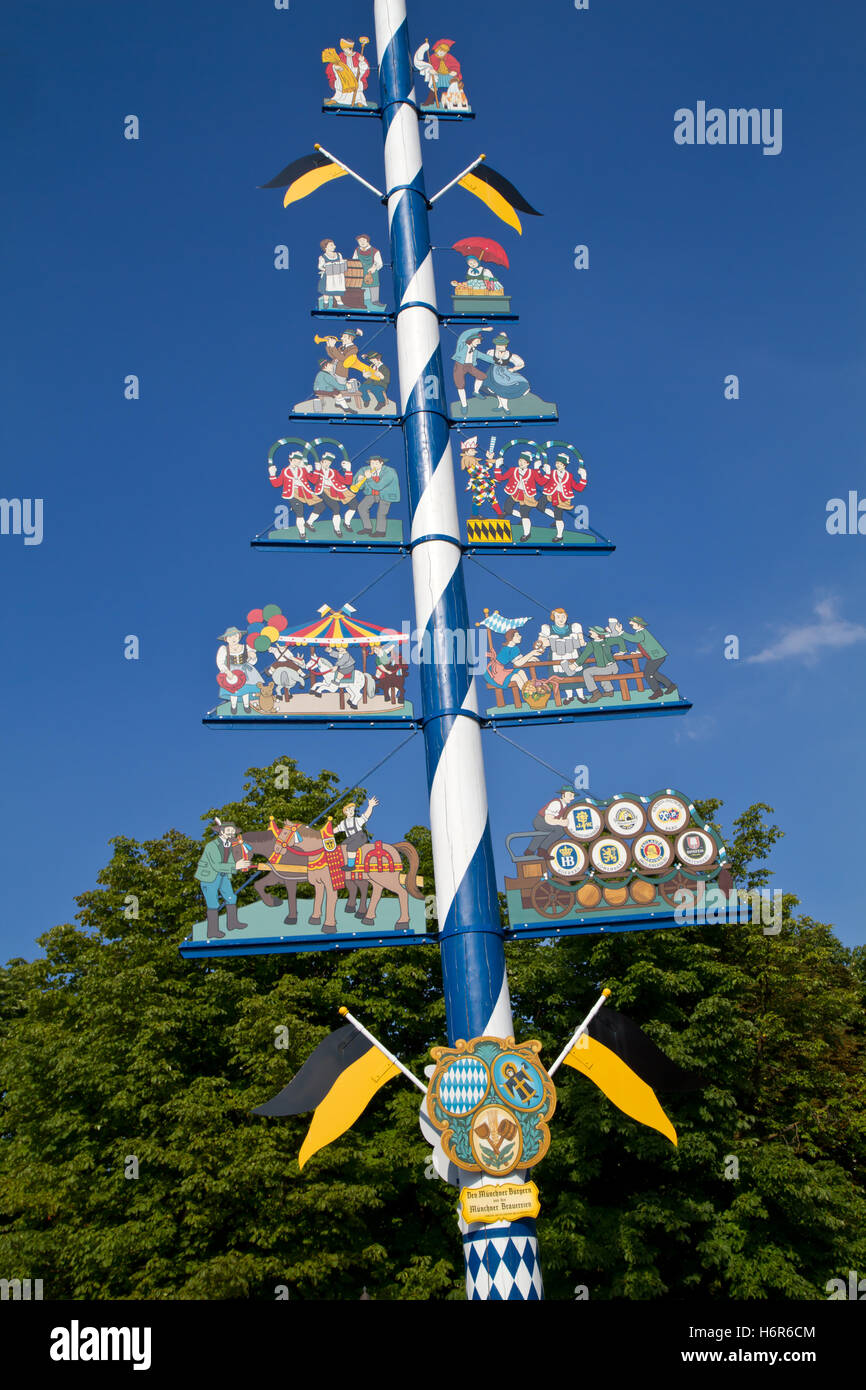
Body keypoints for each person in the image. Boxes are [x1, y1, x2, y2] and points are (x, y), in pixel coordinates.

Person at [194, 819, 253, 938]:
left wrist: (238, 866)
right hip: (209, 877)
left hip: (224, 875)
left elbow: (230, 861)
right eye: (229, 830)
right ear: (221, 832)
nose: (232, 833)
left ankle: (232, 923)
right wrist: (235, 866)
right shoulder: (212, 846)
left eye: (233, 831)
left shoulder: (229, 845)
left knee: (231, 897)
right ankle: (212, 931)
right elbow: (216, 865)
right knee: (213, 903)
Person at [614, 616, 678, 700]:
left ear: (639, 625)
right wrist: (638, 652)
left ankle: (657, 691)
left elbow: (636, 639)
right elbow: (642, 644)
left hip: (656, 656)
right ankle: (670, 685)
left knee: (648, 674)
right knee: (653, 673)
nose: (631, 625)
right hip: (656, 656)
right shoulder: (640, 632)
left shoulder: (641, 632)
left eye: (632, 624)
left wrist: (621, 632)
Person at [494, 448, 545, 541]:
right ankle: (522, 518)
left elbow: (541, 482)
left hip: (527, 495)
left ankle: (526, 533)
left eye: (524, 462)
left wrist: (546, 472)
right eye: (520, 460)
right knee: (507, 508)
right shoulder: (513, 470)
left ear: (528, 463)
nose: (521, 463)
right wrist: (497, 466)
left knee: (525, 514)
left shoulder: (532, 472)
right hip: (515, 493)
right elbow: (500, 478)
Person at [268, 449, 321, 538]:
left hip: (305, 492)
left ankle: (309, 522)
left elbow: (314, 480)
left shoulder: (303, 470)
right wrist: (272, 474)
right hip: (292, 494)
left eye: (299, 460)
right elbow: (277, 483)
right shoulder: (285, 471)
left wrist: (317, 470)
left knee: (320, 506)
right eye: (295, 460)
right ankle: (302, 533)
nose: (297, 462)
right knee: (299, 512)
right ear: (290, 460)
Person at [537, 608, 586, 703]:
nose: (561, 619)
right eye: (558, 617)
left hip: (573, 654)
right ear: (553, 618)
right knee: (562, 676)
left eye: (563, 616)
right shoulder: (548, 629)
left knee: (577, 674)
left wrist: (578, 641)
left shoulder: (574, 627)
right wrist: (551, 642)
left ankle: (581, 695)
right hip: (557, 656)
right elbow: (541, 643)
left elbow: (581, 641)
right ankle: (569, 696)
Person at [541, 452, 588, 542]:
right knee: (539, 505)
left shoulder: (569, 476)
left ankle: (559, 535)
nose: (558, 465)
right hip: (550, 494)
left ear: (564, 465)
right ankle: (555, 517)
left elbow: (578, 487)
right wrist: (542, 470)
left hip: (563, 498)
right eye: (557, 463)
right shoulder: (552, 472)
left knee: (559, 517)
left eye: (561, 464)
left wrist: (583, 477)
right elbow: (542, 480)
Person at [307, 451, 355, 537]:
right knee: (336, 508)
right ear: (321, 462)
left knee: (354, 504)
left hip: (338, 490)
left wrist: (348, 469)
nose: (327, 464)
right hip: (323, 491)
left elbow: (347, 481)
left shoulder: (334, 472)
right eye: (325, 462)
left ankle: (346, 523)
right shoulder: (317, 472)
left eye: (329, 462)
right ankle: (337, 529)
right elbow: (313, 481)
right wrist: (308, 471)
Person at [480, 333, 531, 413]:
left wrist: (513, 369)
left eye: (501, 345)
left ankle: (505, 408)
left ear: (505, 345)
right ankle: (501, 406)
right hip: (493, 373)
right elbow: (487, 359)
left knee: (504, 389)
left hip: (505, 373)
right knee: (498, 389)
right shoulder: (491, 352)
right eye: (497, 344)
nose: (499, 347)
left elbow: (521, 364)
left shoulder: (509, 355)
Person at [216, 627, 262, 713]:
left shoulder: (245, 647)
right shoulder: (224, 649)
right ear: (226, 639)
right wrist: (227, 671)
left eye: (235, 636)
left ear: (239, 636)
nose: (233, 638)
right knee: (233, 690)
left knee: (245, 689)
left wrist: (252, 656)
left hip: (245, 671)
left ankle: (246, 705)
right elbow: (220, 662)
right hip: (231, 671)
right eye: (230, 637)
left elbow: (252, 662)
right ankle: (233, 706)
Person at [352, 456, 400, 535]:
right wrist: (359, 480)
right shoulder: (364, 470)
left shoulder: (390, 472)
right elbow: (358, 487)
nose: (374, 466)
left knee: (381, 512)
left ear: (381, 463)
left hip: (386, 494)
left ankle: (380, 532)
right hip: (372, 493)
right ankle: (367, 528)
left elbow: (379, 486)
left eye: (376, 463)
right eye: (372, 463)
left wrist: (369, 478)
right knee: (362, 507)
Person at [574, 625, 622, 703]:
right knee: (600, 672)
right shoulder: (593, 644)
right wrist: (577, 664)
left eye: (592, 631)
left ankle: (595, 693)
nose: (590, 632)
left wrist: (622, 651)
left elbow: (619, 640)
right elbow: (584, 655)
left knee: (587, 672)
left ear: (597, 634)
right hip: (609, 668)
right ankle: (609, 691)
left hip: (611, 667)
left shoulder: (605, 641)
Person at [452, 327, 494, 410]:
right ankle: (464, 405)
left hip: (470, 366)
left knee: (481, 376)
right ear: (471, 339)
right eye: (478, 341)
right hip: (460, 365)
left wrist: (500, 362)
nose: (479, 343)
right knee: (460, 385)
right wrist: (483, 329)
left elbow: (485, 357)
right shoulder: (462, 345)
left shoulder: (475, 351)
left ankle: (476, 391)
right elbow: (465, 334)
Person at [323, 38, 370, 107]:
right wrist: (336, 67)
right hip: (343, 77)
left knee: (357, 85)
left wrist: (362, 61)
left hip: (355, 75)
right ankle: (337, 99)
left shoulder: (357, 55)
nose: (347, 51)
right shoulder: (340, 56)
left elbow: (365, 67)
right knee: (340, 83)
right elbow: (333, 65)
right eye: (345, 49)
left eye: (348, 49)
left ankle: (359, 101)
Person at [333, 796, 379, 866]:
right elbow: (337, 829)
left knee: (350, 847)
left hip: (360, 836)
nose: (351, 811)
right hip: (350, 838)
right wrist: (326, 832)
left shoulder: (356, 820)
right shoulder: (343, 823)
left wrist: (370, 806)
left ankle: (351, 865)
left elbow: (366, 815)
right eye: (349, 810)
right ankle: (343, 862)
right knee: (342, 846)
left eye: (352, 810)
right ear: (345, 812)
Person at [527, 789, 576, 854]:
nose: (573, 798)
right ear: (563, 795)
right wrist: (561, 822)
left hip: (545, 822)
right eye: (570, 795)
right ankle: (542, 849)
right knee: (561, 830)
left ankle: (530, 851)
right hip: (540, 821)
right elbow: (548, 819)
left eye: (573, 796)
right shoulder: (556, 803)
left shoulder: (565, 806)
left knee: (542, 834)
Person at [486, 627, 529, 699]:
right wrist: (530, 654)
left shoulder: (514, 648)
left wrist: (530, 658)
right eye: (517, 635)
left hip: (502, 670)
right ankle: (527, 696)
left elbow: (519, 660)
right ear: (511, 638)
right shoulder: (507, 649)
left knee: (521, 671)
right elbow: (518, 663)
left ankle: (530, 690)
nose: (520, 636)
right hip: (495, 672)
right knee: (516, 677)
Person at [354, 234, 386, 309]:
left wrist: (373, 268)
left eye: (363, 240)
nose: (362, 242)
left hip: (371, 272)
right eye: (359, 241)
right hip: (361, 271)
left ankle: (375, 301)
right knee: (361, 286)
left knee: (374, 286)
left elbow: (379, 263)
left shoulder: (375, 251)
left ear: (367, 241)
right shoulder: (357, 250)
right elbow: (354, 260)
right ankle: (362, 302)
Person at [317, 239, 346, 308]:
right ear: (325, 247)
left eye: (333, 245)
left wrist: (343, 263)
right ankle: (325, 303)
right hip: (328, 276)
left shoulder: (338, 255)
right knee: (326, 291)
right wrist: (327, 268)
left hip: (337, 275)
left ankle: (340, 304)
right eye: (331, 245)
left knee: (337, 290)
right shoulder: (323, 257)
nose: (334, 246)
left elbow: (342, 262)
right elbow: (320, 266)